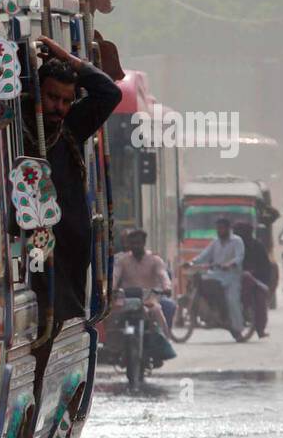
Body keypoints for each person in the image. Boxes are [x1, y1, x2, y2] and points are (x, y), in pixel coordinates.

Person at [23, 36, 123, 327]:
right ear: (37, 93)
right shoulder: (16, 127)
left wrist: (70, 59)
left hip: (68, 255)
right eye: (52, 97)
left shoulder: (72, 127)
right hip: (28, 249)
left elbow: (109, 94)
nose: (59, 107)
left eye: (67, 101)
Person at [111, 228, 176, 335]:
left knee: (156, 310)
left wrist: (167, 287)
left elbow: (163, 275)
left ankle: (164, 338)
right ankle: (113, 343)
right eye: (132, 243)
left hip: (149, 299)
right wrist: (111, 289)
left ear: (144, 243)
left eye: (138, 243)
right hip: (128, 300)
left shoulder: (155, 260)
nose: (135, 246)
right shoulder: (123, 260)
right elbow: (115, 275)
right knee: (113, 316)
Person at [189, 217, 246, 339]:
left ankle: (238, 329)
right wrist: (192, 262)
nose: (219, 231)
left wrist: (230, 264)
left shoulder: (237, 241)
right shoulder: (215, 242)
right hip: (215, 275)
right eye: (218, 229)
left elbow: (239, 257)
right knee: (202, 285)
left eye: (221, 228)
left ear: (228, 229)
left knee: (232, 300)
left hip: (232, 277)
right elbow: (204, 255)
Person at [234, 221, 270, 338]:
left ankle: (260, 329)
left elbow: (265, 266)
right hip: (233, 278)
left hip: (255, 280)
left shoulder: (257, 246)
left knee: (260, 300)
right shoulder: (232, 245)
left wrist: (253, 272)